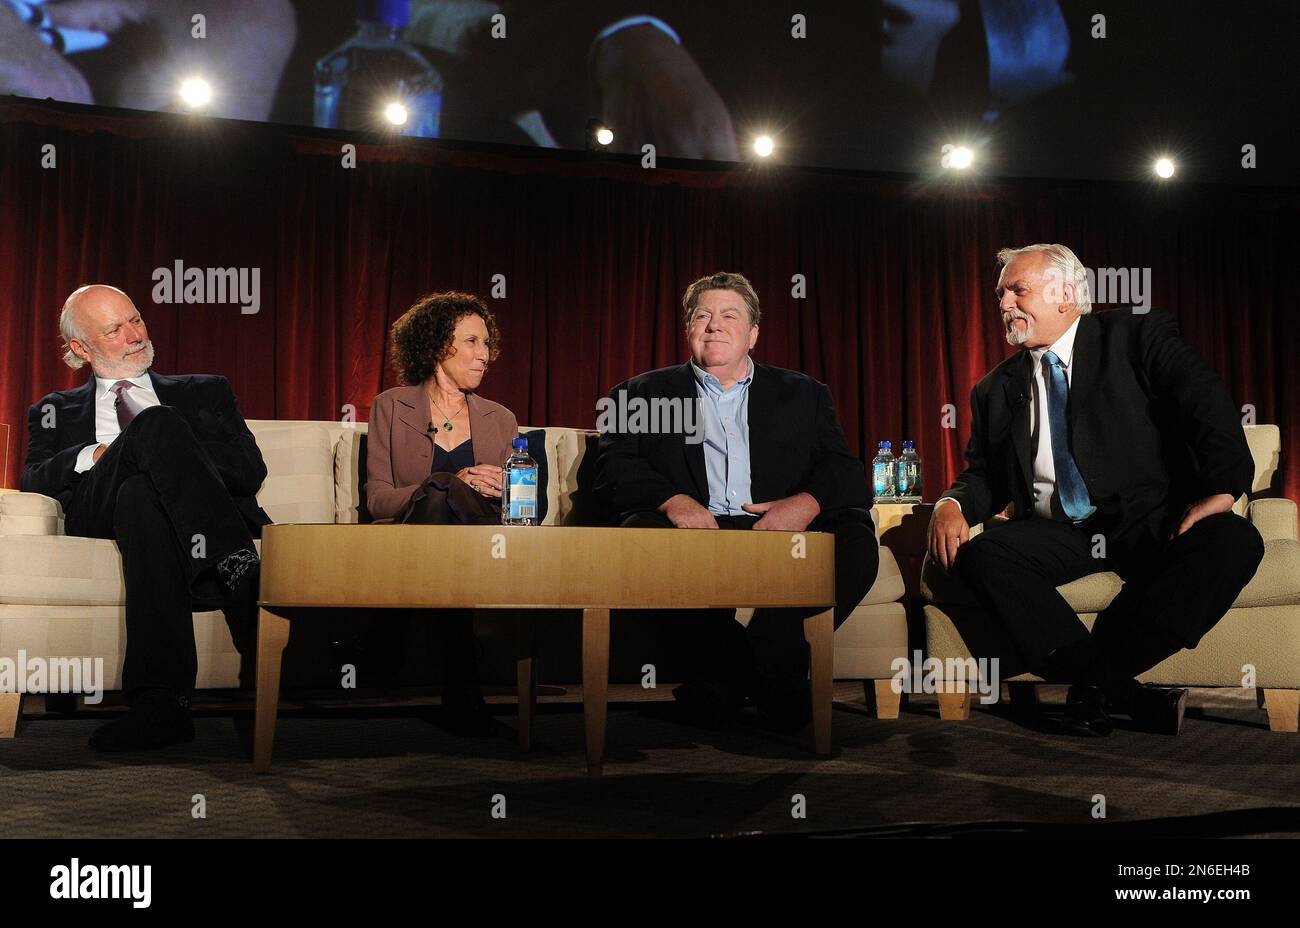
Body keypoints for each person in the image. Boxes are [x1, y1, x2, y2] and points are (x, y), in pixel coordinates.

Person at [927, 244, 1265, 737]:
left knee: (1234, 543)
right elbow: (985, 475)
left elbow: (1204, 400)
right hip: (1057, 530)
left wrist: (1223, 487)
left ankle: (1096, 681)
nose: (1003, 305)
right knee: (983, 556)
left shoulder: (1136, 336)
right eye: (1000, 294)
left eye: (1017, 291)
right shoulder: (994, 389)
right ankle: (1118, 691)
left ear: (1066, 295)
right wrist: (950, 503)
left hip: (1148, 518)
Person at [594, 271, 879, 733]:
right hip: (694, 531)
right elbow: (614, 467)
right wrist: (672, 500)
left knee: (856, 536)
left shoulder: (804, 394)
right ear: (687, 330)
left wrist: (803, 503)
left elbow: (843, 469)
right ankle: (775, 683)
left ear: (753, 333)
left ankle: (733, 674)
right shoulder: (640, 394)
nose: (714, 325)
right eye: (702, 316)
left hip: (779, 527)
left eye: (730, 316)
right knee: (636, 540)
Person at [22, 284, 269, 751]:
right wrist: (93, 454)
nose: (134, 334)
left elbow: (249, 470)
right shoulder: (54, 410)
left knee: (142, 494)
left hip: (146, 511)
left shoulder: (206, 390)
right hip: (97, 508)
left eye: (135, 319)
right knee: (152, 429)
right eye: (115, 330)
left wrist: (169, 451)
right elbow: (34, 479)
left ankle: (162, 704)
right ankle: (237, 570)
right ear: (81, 348)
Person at [365, 291, 517, 735]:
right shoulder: (390, 407)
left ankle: (388, 633)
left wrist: (504, 489)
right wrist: (451, 482)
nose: (484, 355)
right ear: (435, 346)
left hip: (481, 541)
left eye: (487, 345)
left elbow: (522, 506)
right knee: (439, 493)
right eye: (472, 342)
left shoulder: (500, 418)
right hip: (414, 538)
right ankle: (462, 685)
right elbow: (377, 499)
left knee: (446, 494)